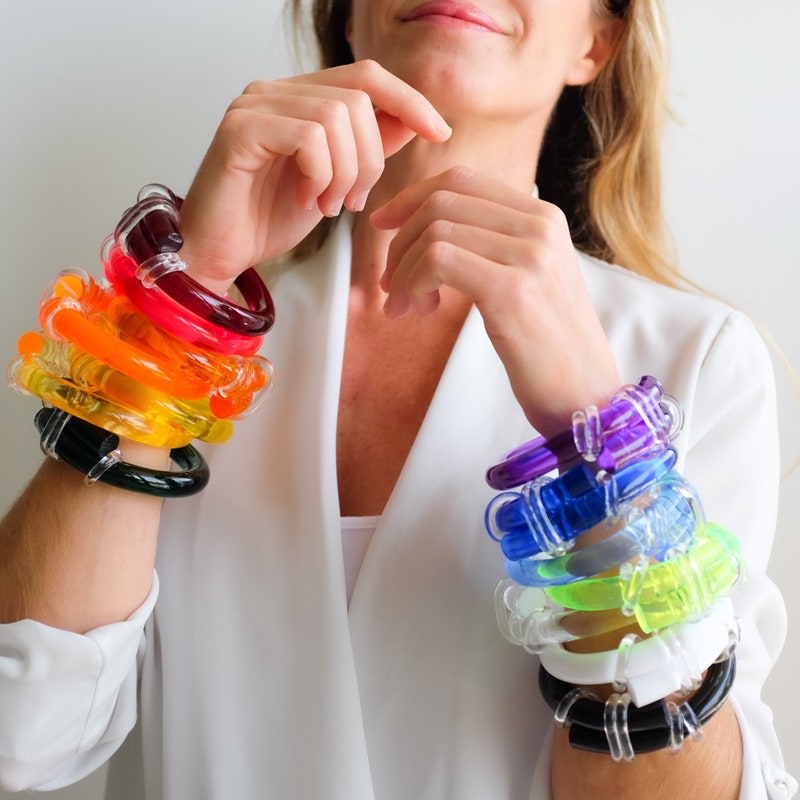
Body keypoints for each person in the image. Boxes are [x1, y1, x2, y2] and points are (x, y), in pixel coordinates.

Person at [0, 0, 795, 798]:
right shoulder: (194, 345)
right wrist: (186, 299)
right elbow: (21, 733)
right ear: (349, 17)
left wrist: (603, 441)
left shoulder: (699, 361)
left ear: (597, 42)